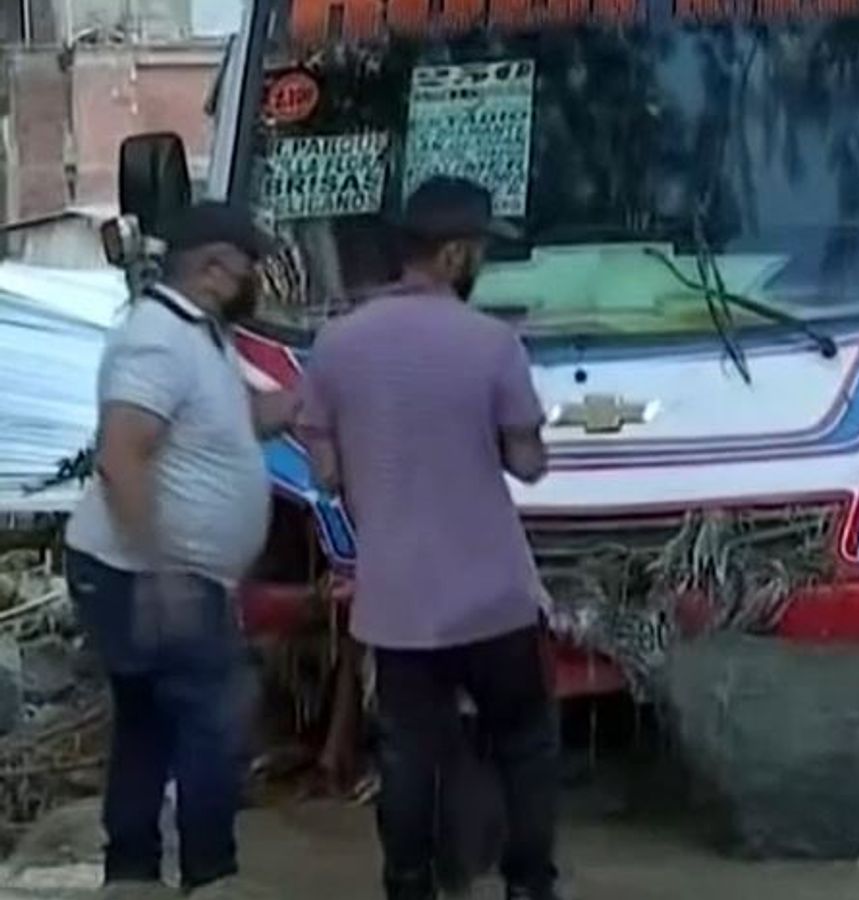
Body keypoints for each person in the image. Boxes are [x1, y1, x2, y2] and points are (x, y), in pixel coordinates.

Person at [297, 176, 559, 900]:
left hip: (398, 602)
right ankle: (528, 884)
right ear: (451, 256)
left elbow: (322, 469)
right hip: (492, 599)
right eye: (476, 252)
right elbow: (528, 465)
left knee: (410, 755)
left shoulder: (337, 343)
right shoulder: (493, 342)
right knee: (524, 746)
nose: (478, 265)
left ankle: (409, 884)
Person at [62, 203, 296, 899]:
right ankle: (209, 875)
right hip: (153, 572)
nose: (258, 280)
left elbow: (229, 421)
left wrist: (309, 398)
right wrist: (160, 568)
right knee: (210, 723)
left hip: (158, 572)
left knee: (149, 724)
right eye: (250, 267)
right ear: (214, 268)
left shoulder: (200, 336)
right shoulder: (158, 340)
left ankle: (132, 874)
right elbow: (121, 456)